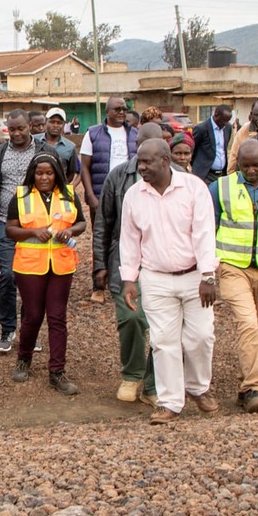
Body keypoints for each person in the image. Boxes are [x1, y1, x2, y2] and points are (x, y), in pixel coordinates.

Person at [121, 136, 218, 423]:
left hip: (194, 277)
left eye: (147, 161)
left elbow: (203, 233)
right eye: (139, 161)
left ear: (166, 160)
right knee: (163, 341)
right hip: (155, 278)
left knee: (201, 337)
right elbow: (129, 240)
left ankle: (199, 388)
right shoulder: (134, 195)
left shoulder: (193, 188)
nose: (142, 167)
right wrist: (129, 279)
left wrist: (207, 275)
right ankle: (170, 402)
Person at [212, 138, 258, 412]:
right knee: (248, 324)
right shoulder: (220, 188)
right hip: (232, 266)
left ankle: (245, 386)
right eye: (245, 166)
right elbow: (209, 226)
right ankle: (256, 387)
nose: (251, 170)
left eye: (256, 165)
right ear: (237, 164)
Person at [6, 151, 85, 393]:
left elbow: (81, 223)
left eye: (48, 173)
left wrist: (70, 232)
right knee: (33, 315)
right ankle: (24, 358)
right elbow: (10, 229)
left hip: (61, 264)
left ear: (56, 174)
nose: (43, 177)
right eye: (39, 173)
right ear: (32, 173)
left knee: (57, 316)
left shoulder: (70, 195)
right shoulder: (21, 196)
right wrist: (32, 232)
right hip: (30, 265)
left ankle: (57, 372)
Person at [101, 122, 164, 406]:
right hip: (125, 260)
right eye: (140, 145)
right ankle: (132, 374)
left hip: (164, 261)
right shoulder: (118, 177)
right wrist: (99, 267)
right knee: (132, 318)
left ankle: (153, 384)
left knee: (164, 324)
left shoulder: (182, 180)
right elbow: (103, 224)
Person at [0, 110, 40, 355]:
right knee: (8, 275)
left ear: (29, 127)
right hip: (5, 222)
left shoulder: (43, 151)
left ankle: (30, 330)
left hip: (35, 225)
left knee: (31, 278)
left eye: (20, 129)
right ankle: (7, 328)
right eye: (11, 129)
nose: (16, 133)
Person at [79, 98, 142, 303]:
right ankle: (98, 285)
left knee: (129, 237)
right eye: (117, 109)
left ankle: (126, 280)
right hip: (101, 194)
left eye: (124, 109)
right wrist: (90, 194)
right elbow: (85, 167)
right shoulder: (94, 133)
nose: (121, 112)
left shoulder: (134, 134)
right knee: (102, 238)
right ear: (107, 111)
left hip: (129, 195)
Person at [191, 104, 234, 185]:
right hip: (205, 174)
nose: (225, 123)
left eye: (227, 121)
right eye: (223, 120)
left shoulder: (227, 128)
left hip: (221, 175)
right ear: (216, 114)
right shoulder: (202, 128)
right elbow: (192, 149)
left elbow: (223, 150)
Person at [41, 109, 78, 180]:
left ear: (64, 124)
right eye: (52, 122)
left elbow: (71, 173)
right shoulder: (34, 141)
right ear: (46, 122)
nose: (55, 125)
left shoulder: (70, 147)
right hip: (34, 190)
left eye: (59, 123)